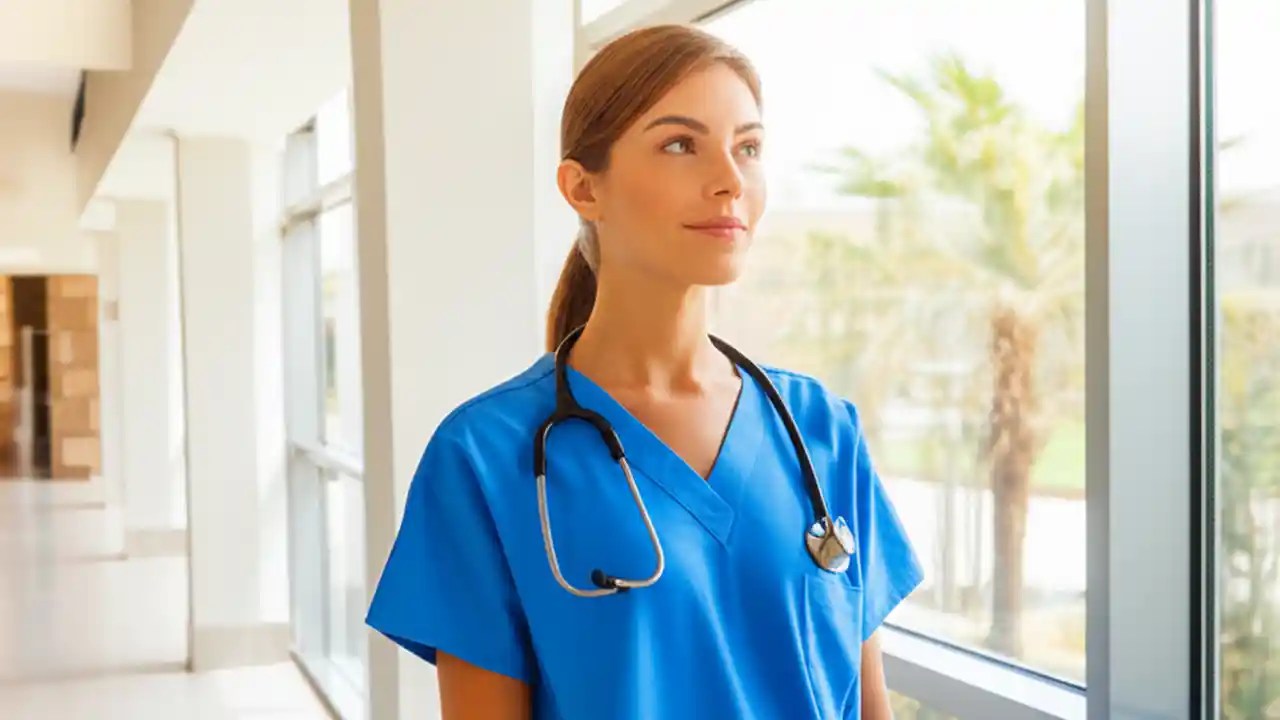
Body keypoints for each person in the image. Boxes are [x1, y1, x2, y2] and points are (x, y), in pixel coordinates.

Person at [366, 23, 923, 720]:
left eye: (748, 148)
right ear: (582, 188)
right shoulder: (484, 455)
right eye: (680, 144)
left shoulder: (822, 430)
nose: (729, 180)